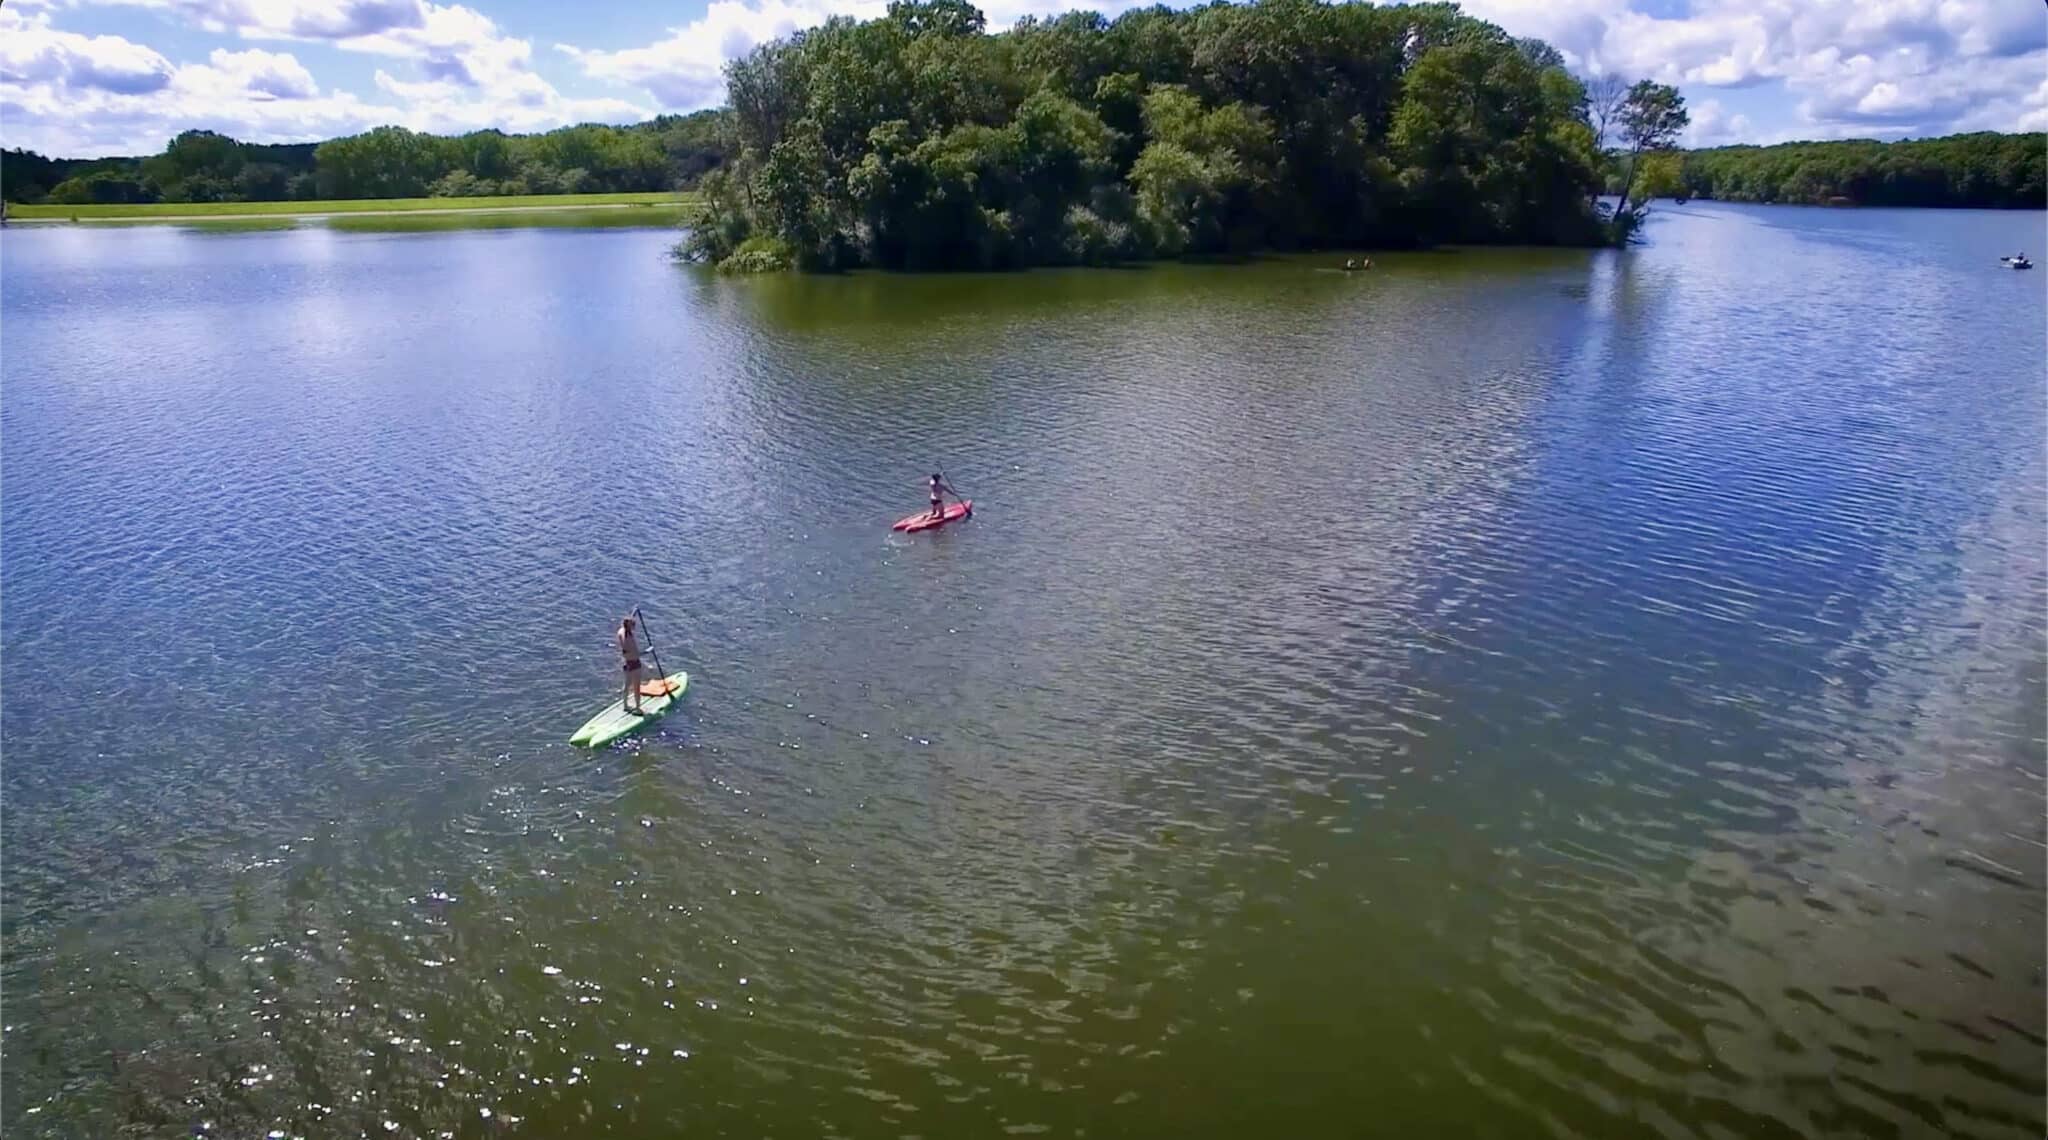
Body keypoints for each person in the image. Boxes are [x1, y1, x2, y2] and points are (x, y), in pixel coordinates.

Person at [617, 614, 646, 715]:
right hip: (634, 663)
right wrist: (647, 651)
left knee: (627, 684)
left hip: (626, 663)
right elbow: (636, 653)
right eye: (633, 625)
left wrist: (631, 616)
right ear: (630, 626)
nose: (634, 627)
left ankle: (625, 705)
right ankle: (638, 709)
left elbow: (623, 627)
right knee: (636, 686)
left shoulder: (621, 632)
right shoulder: (629, 640)